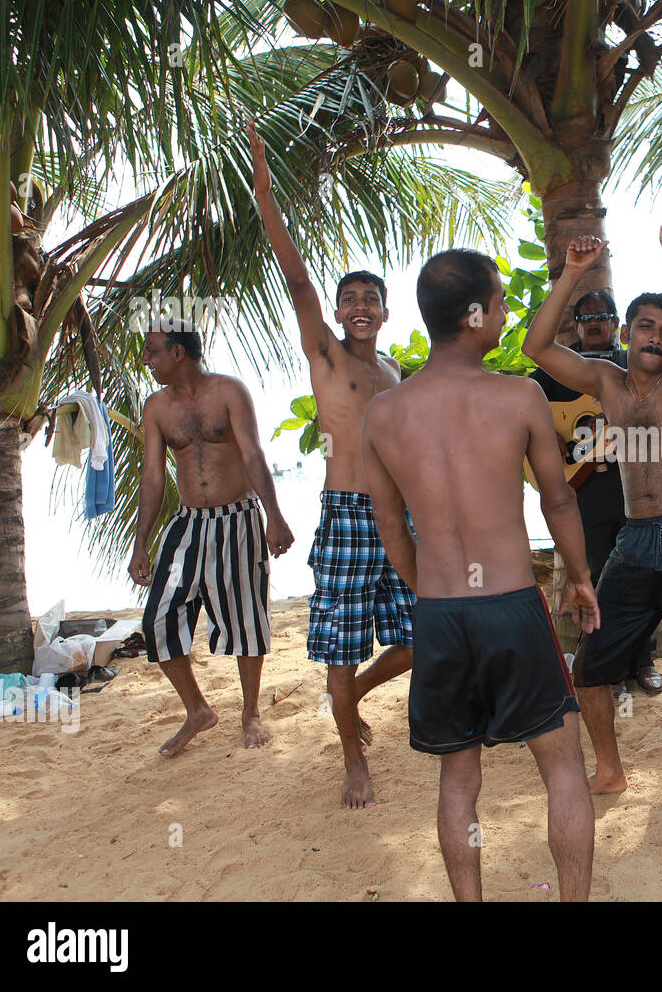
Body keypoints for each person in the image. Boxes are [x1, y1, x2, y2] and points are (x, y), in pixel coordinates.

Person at [362, 248, 598, 901]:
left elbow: (390, 526)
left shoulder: (383, 413)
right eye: (498, 302)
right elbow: (558, 500)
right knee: (562, 766)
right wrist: (580, 576)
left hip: (441, 614)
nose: (503, 311)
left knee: (458, 779)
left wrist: (429, 591)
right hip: (511, 605)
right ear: (474, 315)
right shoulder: (518, 396)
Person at [523, 225, 662, 809]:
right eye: (646, 327)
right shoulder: (608, 380)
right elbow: (537, 348)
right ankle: (610, 770)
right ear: (626, 334)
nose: (657, 338)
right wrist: (573, 272)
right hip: (637, 538)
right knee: (591, 664)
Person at [249, 119, 415, 810]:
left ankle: (355, 694)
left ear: (385, 311)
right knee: (342, 648)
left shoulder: (395, 370)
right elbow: (295, 280)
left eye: (370, 299)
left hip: (399, 515)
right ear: (339, 312)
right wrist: (265, 190)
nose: (359, 307)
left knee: (423, 636)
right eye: (350, 299)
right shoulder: (327, 357)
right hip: (347, 513)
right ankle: (353, 758)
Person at [130, 320, 294, 756]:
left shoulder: (229, 392)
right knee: (159, 620)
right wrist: (141, 542)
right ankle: (197, 710)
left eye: (151, 351)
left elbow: (253, 454)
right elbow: (153, 476)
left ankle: (250, 712)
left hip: (238, 517)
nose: (146, 361)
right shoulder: (156, 407)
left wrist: (274, 516)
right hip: (188, 522)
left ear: (178, 353)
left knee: (246, 618)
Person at [528, 288, 662, 697]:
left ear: (616, 322)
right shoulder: (555, 370)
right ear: (576, 325)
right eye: (586, 318)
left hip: (631, 485)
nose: (595, 323)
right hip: (582, 489)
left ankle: (643, 659)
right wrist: (548, 439)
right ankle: (609, 668)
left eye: (602, 316)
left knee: (641, 571)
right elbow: (525, 408)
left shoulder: (630, 365)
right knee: (596, 573)